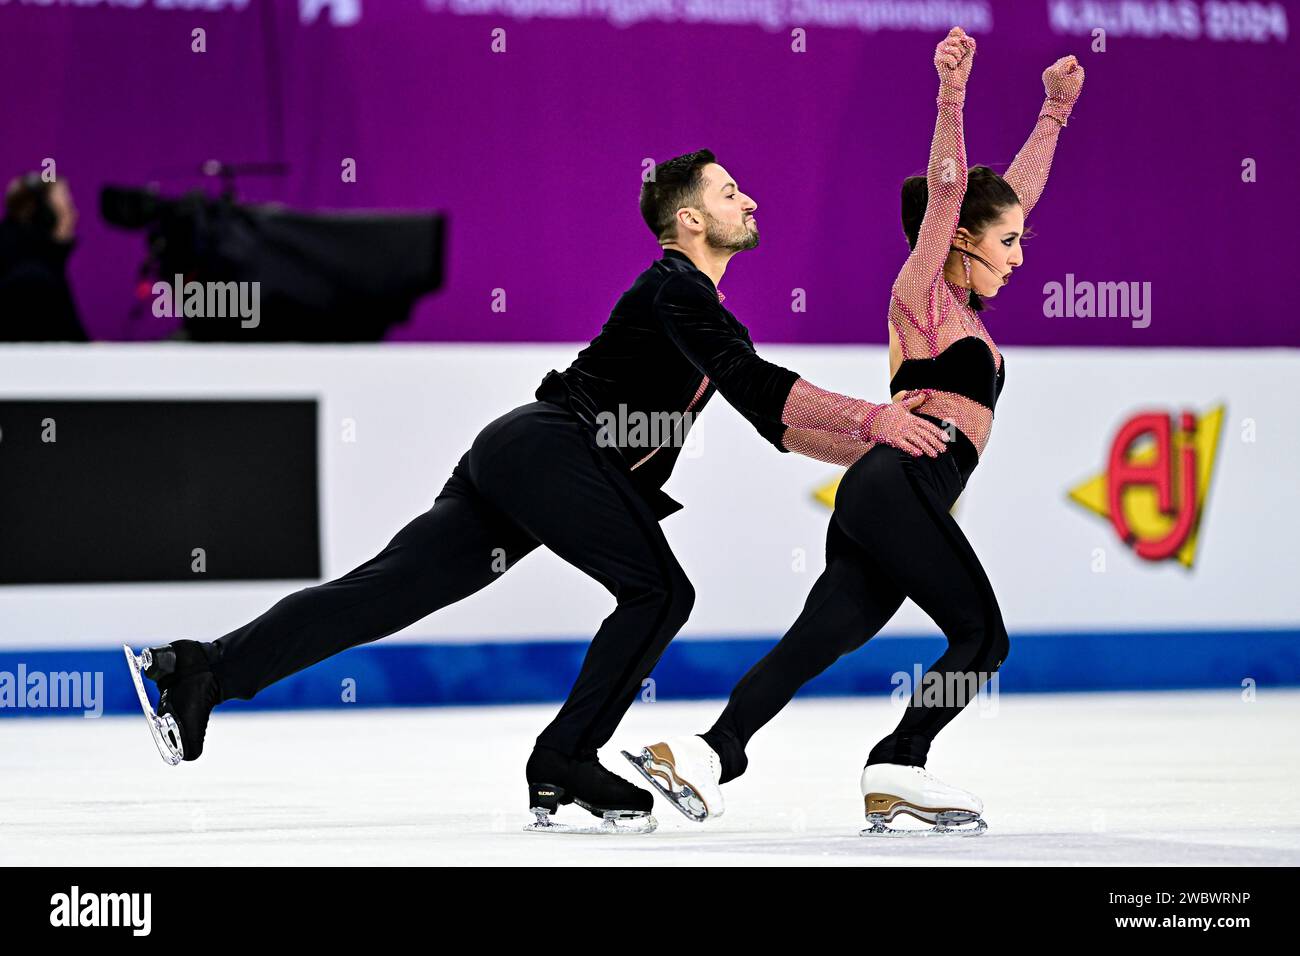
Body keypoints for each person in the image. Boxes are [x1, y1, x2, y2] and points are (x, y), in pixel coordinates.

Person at [124, 148, 948, 834]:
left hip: (527, 453)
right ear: (690, 219)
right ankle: (563, 756)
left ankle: (201, 668)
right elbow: (757, 382)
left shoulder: (699, 309)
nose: (750, 199)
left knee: (382, 597)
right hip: (552, 449)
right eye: (730, 193)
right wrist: (874, 419)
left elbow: (772, 420)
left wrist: (872, 453)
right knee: (660, 592)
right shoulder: (675, 288)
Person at [626, 28, 1085, 836]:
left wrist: (1053, 112)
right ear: (963, 244)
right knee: (981, 636)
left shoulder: (966, 309)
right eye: (1007, 243)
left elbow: (1010, 195)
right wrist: (952, 92)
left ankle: (704, 751)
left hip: (887, 490)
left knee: (822, 636)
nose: (1019, 258)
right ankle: (900, 764)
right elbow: (952, 194)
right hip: (899, 486)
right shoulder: (924, 294)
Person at [0, 174, 87, 341]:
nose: (75, 216)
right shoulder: (31, 281)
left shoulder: (39, 267)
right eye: (68, 207)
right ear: (45, 216)